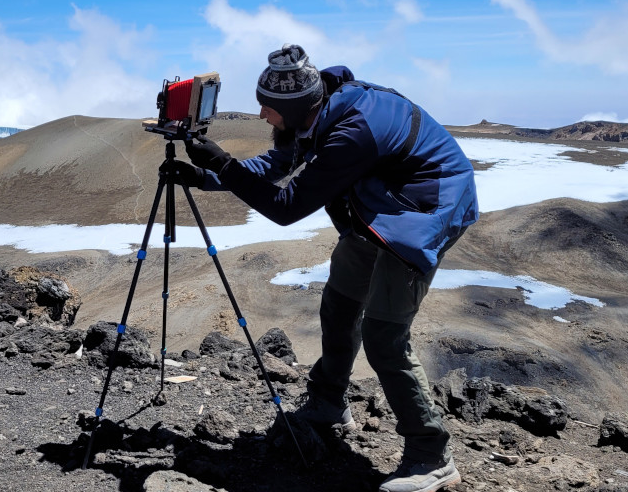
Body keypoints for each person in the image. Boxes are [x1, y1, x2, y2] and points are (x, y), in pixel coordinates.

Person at [173, 44, 478, 492]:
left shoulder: (355, 130)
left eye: (269, 108)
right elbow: (276, 164)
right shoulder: (319, 109)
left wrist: (223, 164)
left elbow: (287, 206)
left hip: (420, 216)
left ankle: (432, 457)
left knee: (384, 335)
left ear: (296, 107)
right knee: (339, 306)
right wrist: (209, 176)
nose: (261, 114)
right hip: (377, 211)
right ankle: (329, 402)